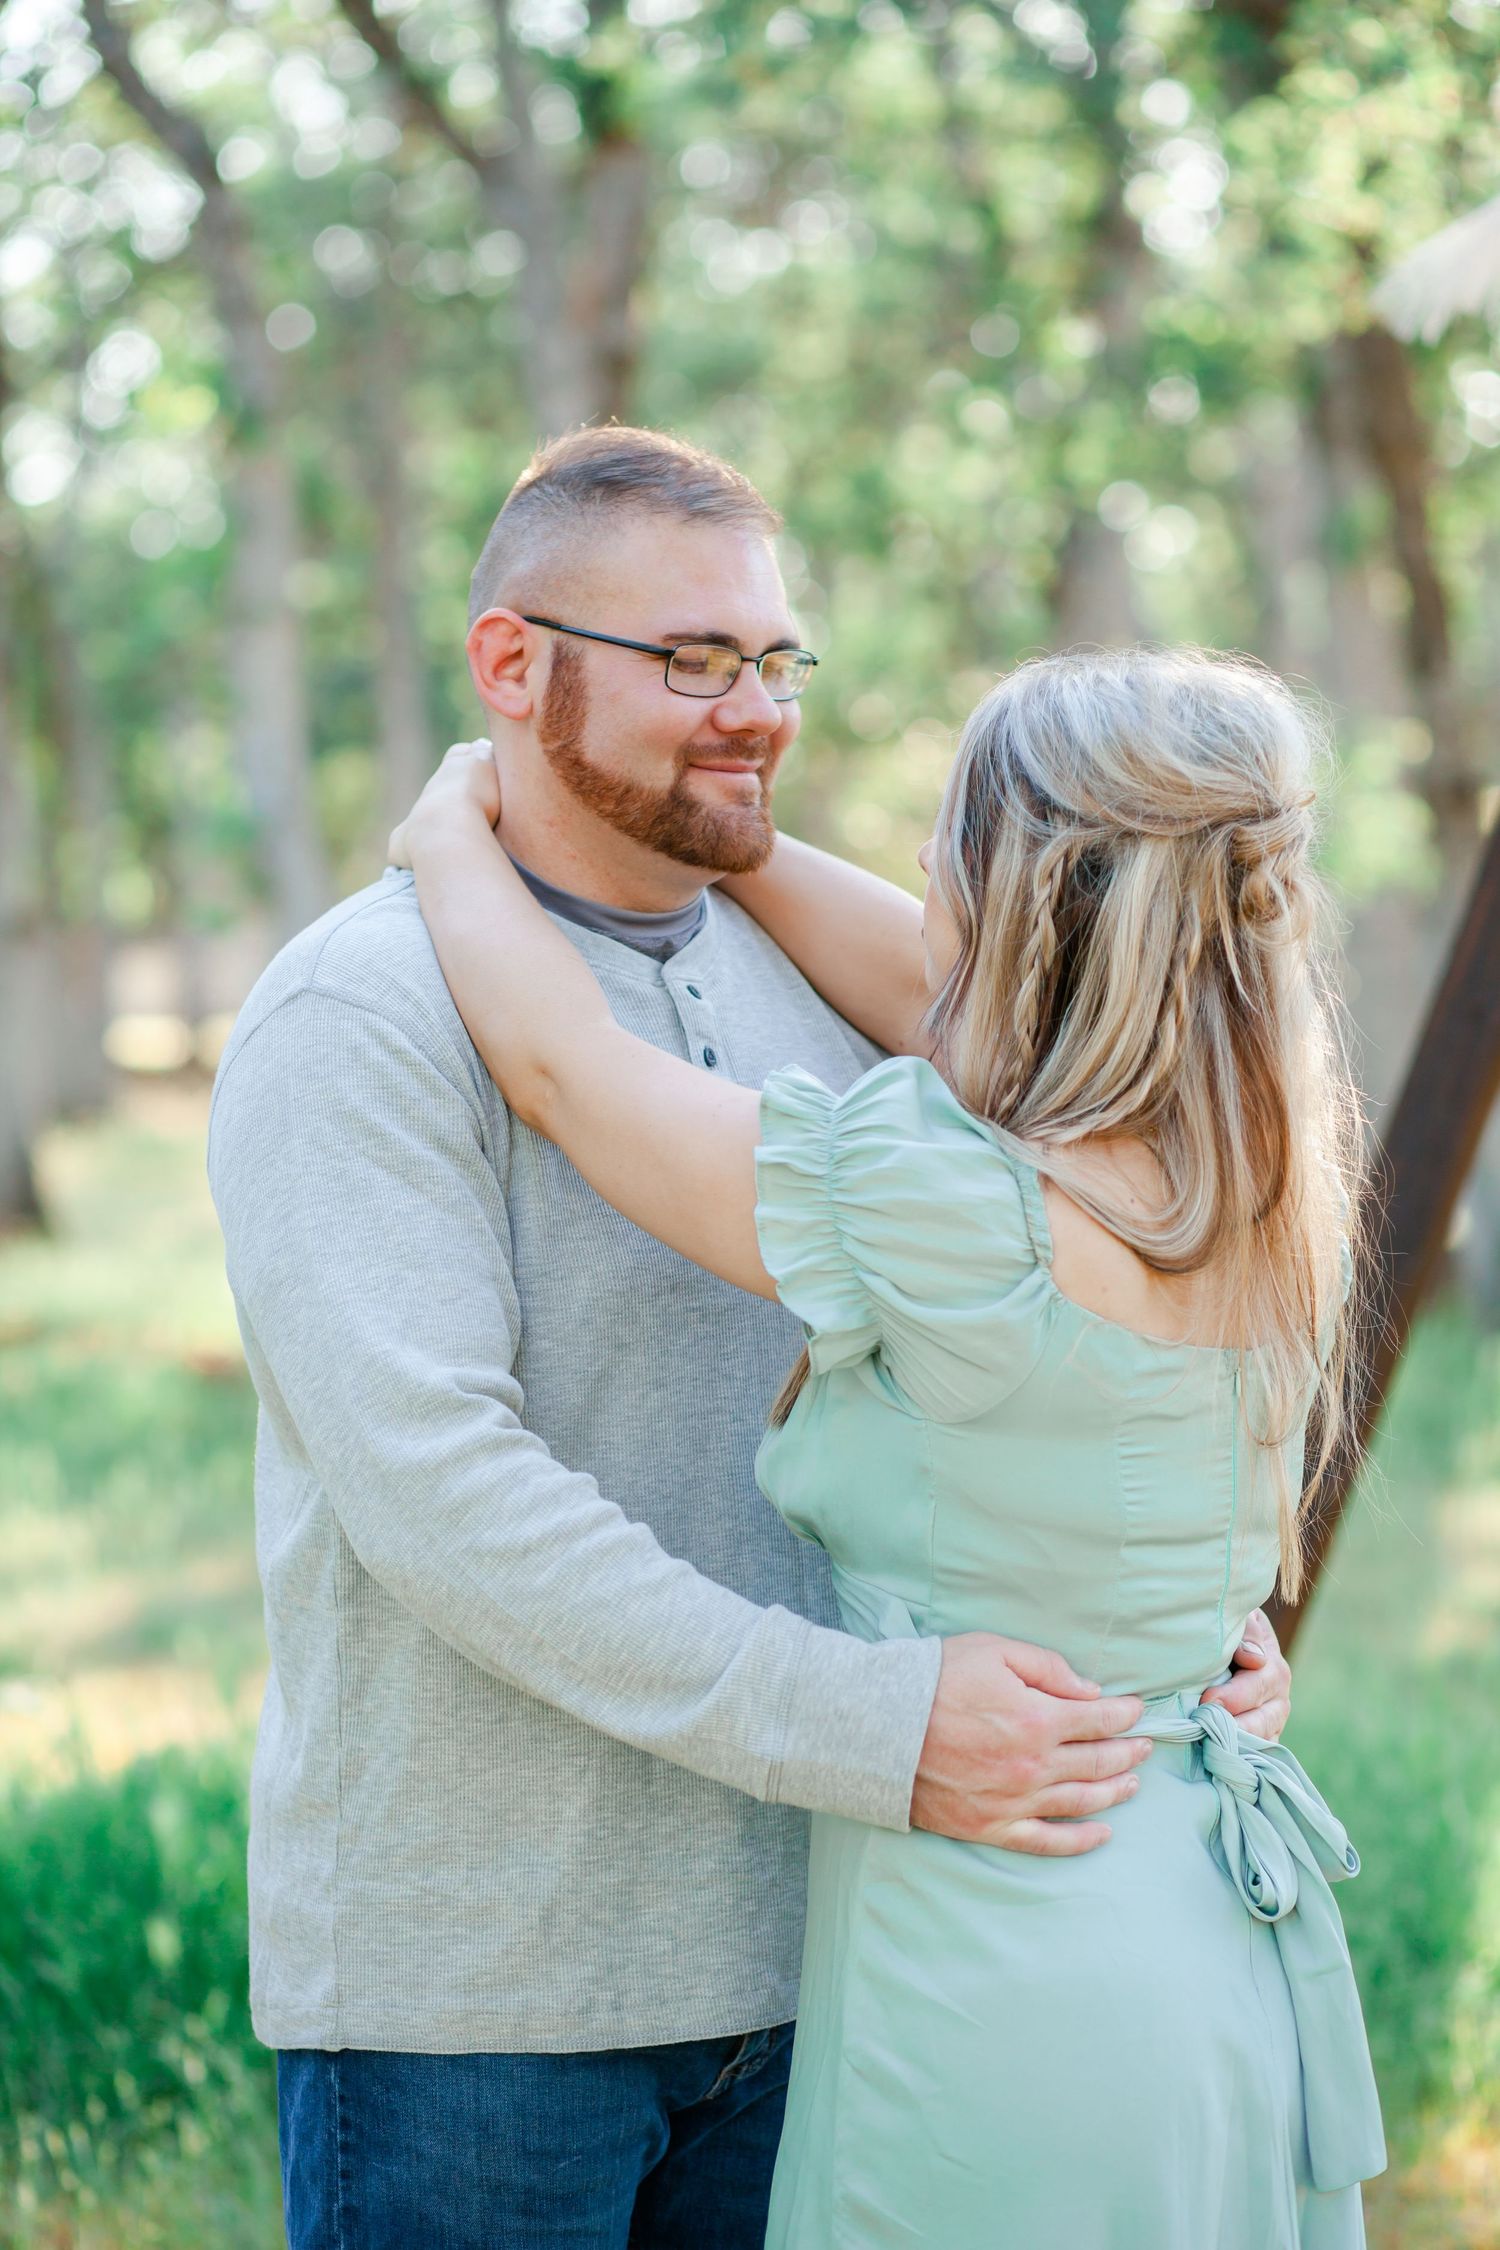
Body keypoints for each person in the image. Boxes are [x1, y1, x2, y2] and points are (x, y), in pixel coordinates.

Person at [208, 426, 1291, 2250]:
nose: (757, 708)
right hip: (492, 2000)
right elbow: (446, 1500)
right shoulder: (360, 1013)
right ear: (508, 663)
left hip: (838, 1954)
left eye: (775, 659)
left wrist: (1178, 1619)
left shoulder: (842, 996)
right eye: (692, 659)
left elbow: (1073, 1298)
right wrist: (875, 1721)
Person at [391, 635, 1385, 2248]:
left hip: (1003, 1963)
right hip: (1203, 1921)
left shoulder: (948, 1197)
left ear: (1016, 899)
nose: (916, 862)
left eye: (946, 836)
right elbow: (970, 1003)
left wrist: (448, 823)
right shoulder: (1269, 1175)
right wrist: (742, 838)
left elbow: (568, 1074)